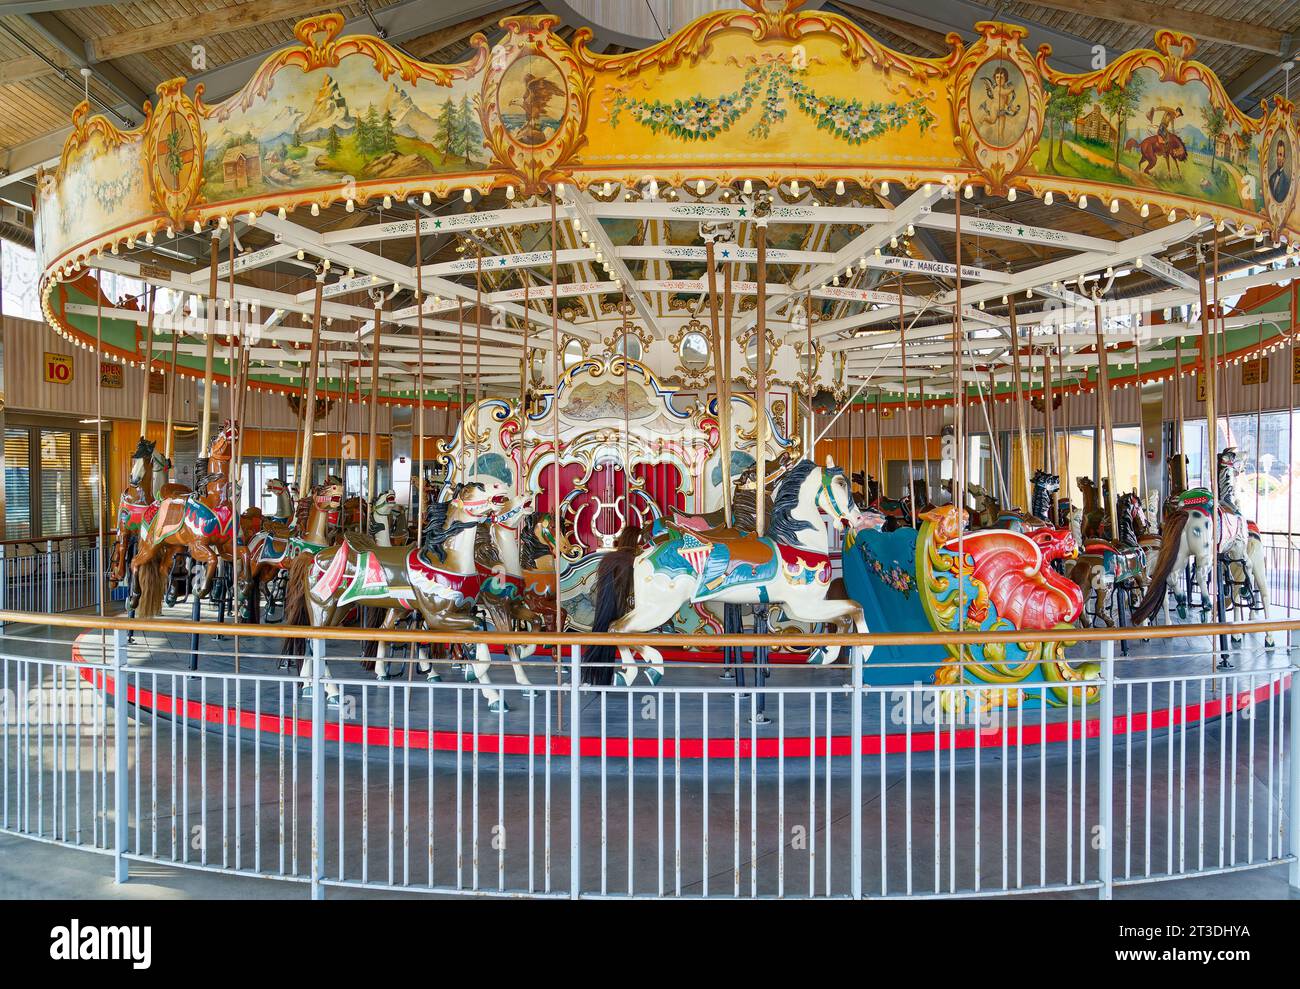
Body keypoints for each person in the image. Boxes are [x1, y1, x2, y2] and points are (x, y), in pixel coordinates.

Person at [1269, 138, 1290, 203]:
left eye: (1280, 155)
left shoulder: (1286, 182)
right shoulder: (1271, 177)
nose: (1278, 157)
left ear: (1284, 159)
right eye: (1277, 154)